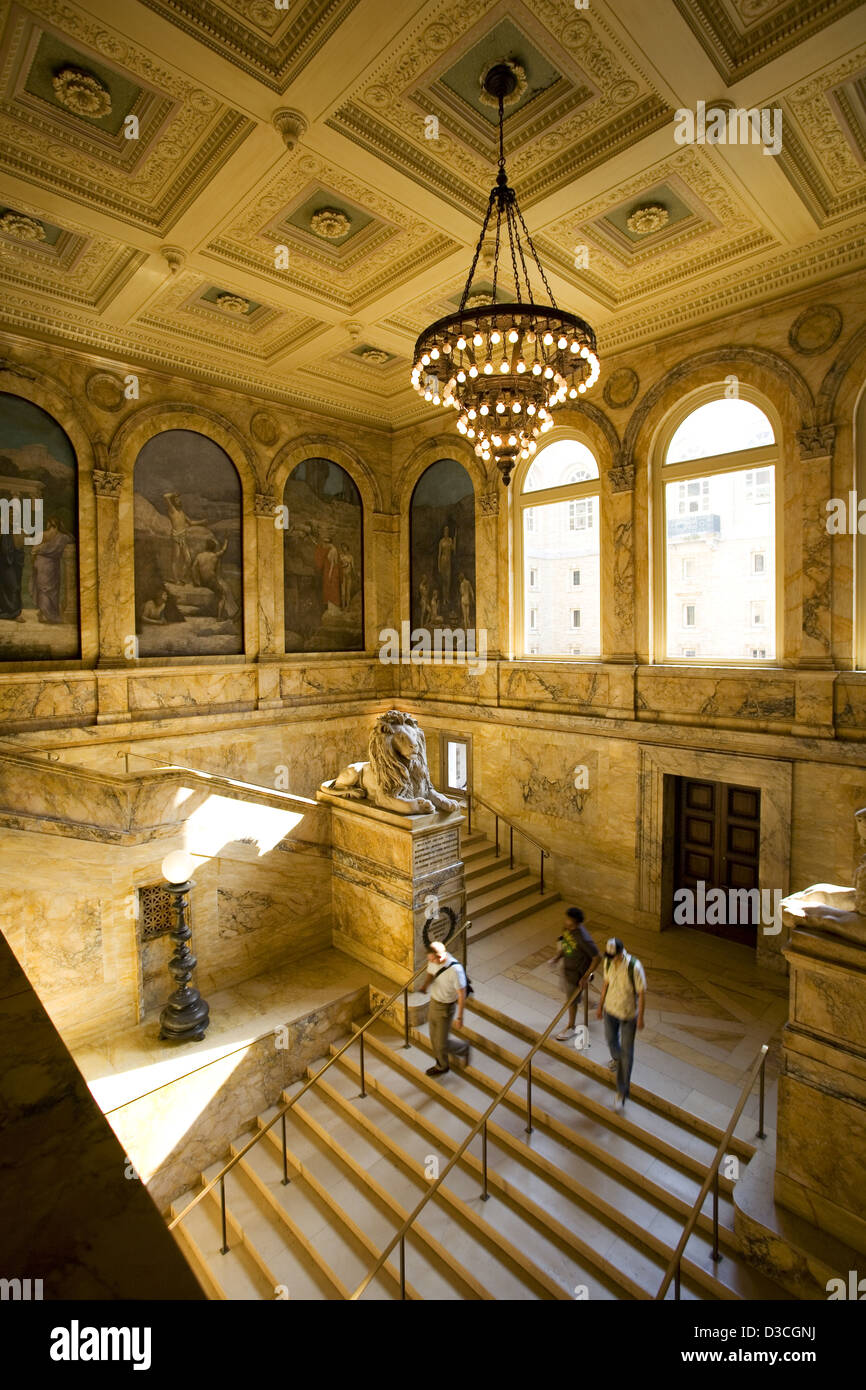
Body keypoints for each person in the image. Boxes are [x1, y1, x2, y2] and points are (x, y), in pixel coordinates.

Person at [596, 937, 646, 1110]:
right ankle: (617, 1059)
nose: (611, 959)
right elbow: (606, 984)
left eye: (613, 956)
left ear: (620, 953)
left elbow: (642, 993)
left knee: (627, 1052)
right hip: (610, 1010)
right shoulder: (609, 963)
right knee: (610, 1039)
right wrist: (600, 1005)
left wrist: (640, 1017)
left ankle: (622, 1091)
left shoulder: (634, 967)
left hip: (628, 1014)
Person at [417, 940, 469, 1077]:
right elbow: (430, 973)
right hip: (434, 1002)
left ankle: (461, 1049)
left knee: (440, 1044)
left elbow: (461, 994)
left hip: (446, 1007)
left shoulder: (455, 970)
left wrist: (460, 1017)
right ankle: (442, 1064)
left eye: (432, 960)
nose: (430, 962)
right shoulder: (433, 961)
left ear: (440, 957)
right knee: (434, 1038)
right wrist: (425, 986)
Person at [549, 907, 601, 1042]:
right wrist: (557, 957)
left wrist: (585, 976)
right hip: (567, 968)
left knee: (571, 1001)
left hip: (577, 974)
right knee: (570, 995)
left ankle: (571, 1026)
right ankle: (592, 1003)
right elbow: (565, 945)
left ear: (575, 922)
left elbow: (597, 957)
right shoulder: (567, 929)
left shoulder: (583, 938)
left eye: (568, 919)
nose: (565, 921)